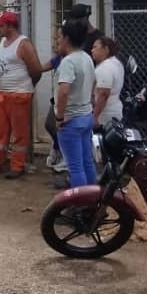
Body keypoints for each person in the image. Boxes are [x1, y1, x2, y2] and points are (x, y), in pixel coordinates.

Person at [0, 10, 42, 180]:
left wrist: (26, 86)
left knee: (19, 133)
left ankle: (17, 165)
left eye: (0, 25)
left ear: (10, 26)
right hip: (1, 94)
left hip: (19, 94)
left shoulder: (23, 44)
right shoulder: (3, 41)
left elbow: (36, 70)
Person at [54, 19, 97, 188]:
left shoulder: (68, 61)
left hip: (70, 120)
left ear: (67, 39)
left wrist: (59, 117)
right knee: (87, 162)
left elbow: (64, 90)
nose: (58, 41)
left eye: (59, 37)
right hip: (86, 116)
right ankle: (93, 200)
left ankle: (80, 205)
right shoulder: (86, 57)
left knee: (75, 167)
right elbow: (94, 82)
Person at [91, 36, 125, 127]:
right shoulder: (117, 63)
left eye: (95, 47)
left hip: (105, 116)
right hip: (115, 112)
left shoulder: (105, 67)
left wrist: (95, 116)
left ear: (106, 49)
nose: (92, 50)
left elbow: (104, 93)